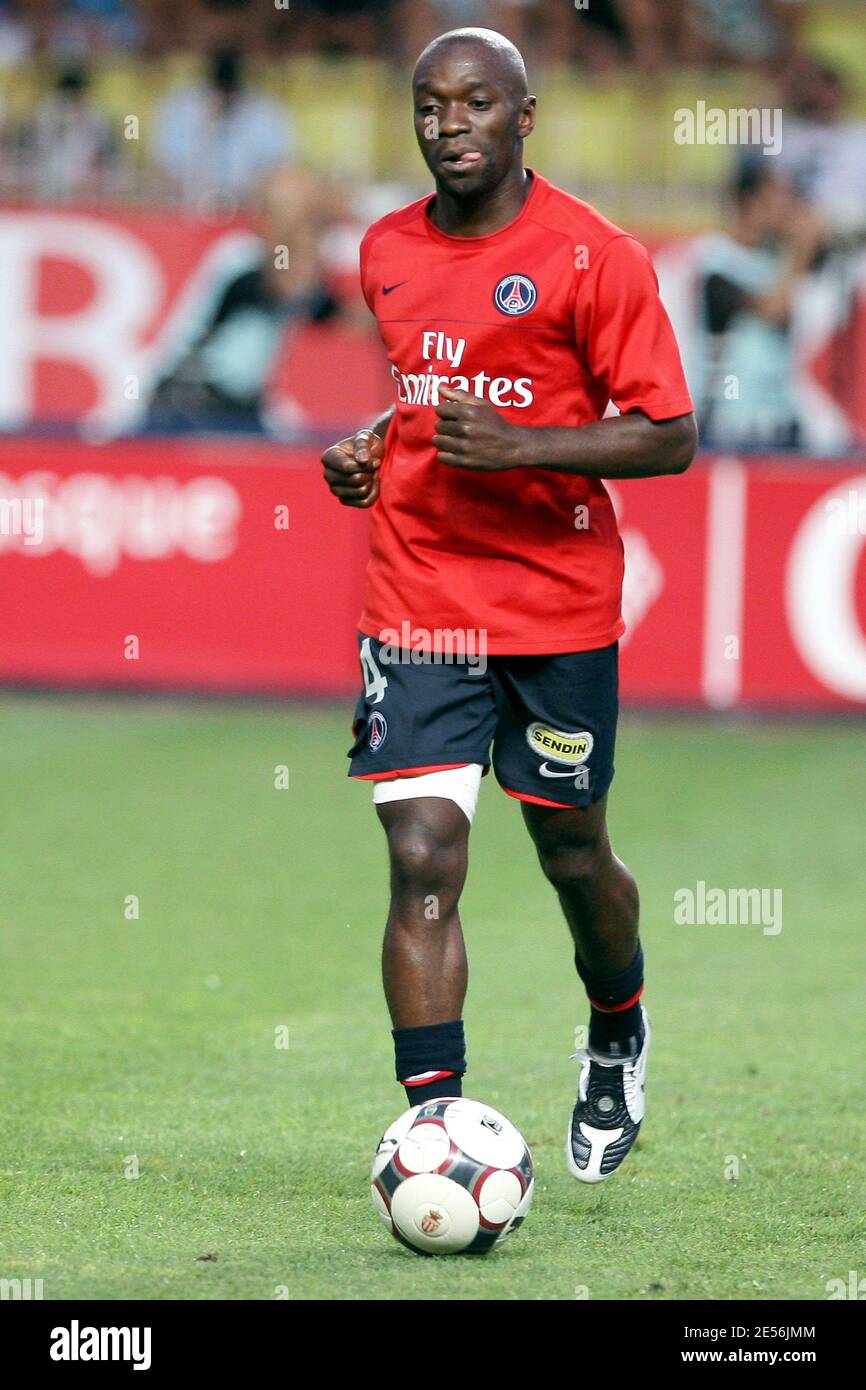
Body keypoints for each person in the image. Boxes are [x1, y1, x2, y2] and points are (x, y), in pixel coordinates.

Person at [321, 28, 696, 1183]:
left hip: (555, 603)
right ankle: (434, 1123)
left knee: (571, 852)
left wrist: (526, 443)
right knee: (423, 848)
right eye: (428, 107)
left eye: (474, 105)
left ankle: (615, 1028)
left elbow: (669, 433)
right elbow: (419, 400)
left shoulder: (595, 258)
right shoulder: (384, 249)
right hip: (419, 588)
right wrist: (366, 459)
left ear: (522, 116)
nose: (447, 127)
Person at [690, 160, 826, 449]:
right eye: (776, 199)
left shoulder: (775, 261)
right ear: (746, 203)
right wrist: (800, 251)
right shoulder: (714, 261)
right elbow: (773, 311)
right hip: (730, 423)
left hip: (779, 419)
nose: (786, 209)